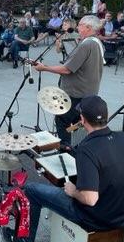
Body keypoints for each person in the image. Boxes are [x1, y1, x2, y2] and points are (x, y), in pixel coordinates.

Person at [3, 96, 124, 242]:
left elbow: (90, 199)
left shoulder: (88, 149)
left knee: (32, 190)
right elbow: (110, 168)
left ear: (82, 119)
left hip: (96, 218)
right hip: (122, 215)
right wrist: (74, 153)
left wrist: (72, 191)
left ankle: (26, 241)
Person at [33, 15, 104, 150]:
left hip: (76, 94)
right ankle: (78, 149)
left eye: (80, 25)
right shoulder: (96, 42)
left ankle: (66, 150)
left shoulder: (87, 44)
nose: (77, 27)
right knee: (79, 124)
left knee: (62, 120)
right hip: (89, 93)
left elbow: (67, 69)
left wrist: (44, 68)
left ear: (88, 28)